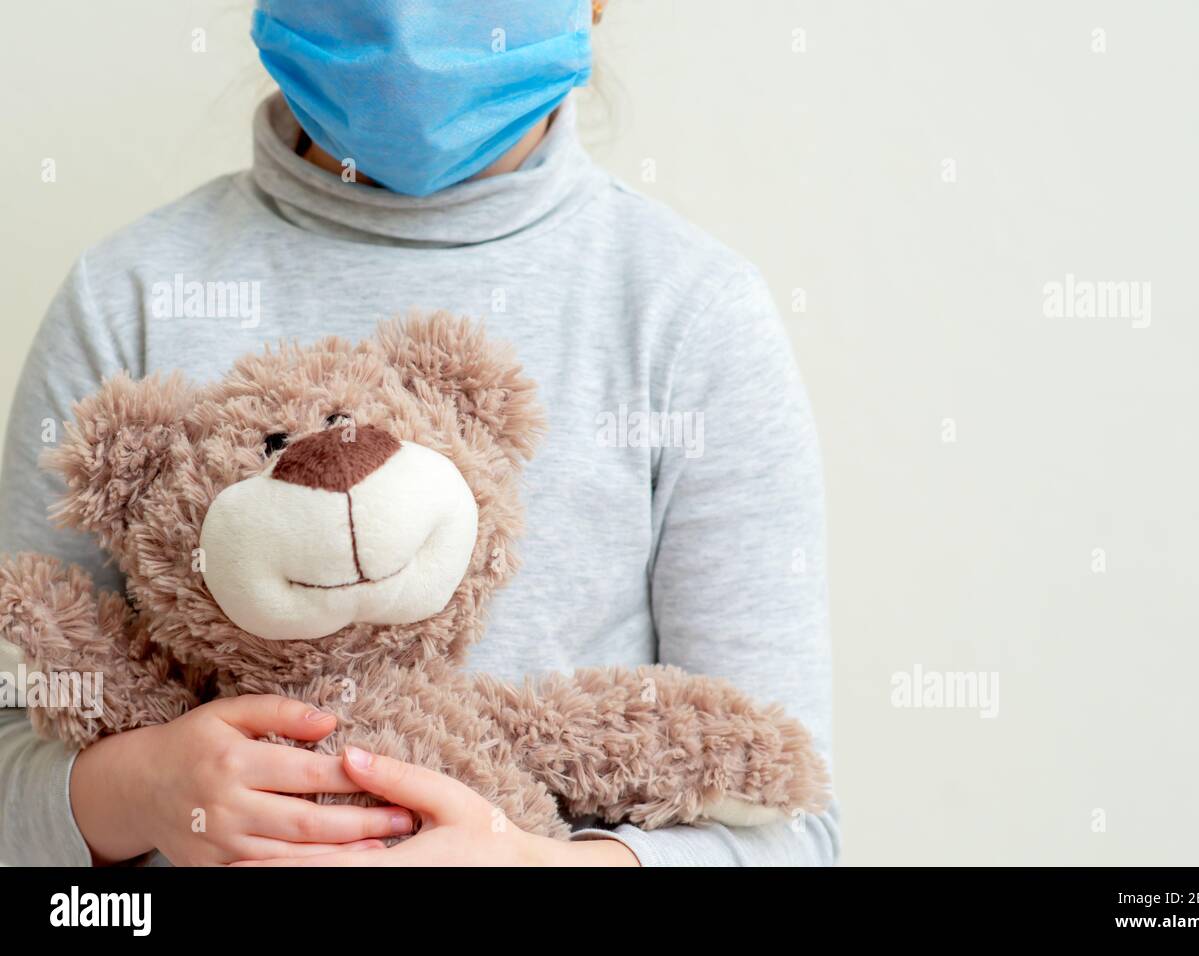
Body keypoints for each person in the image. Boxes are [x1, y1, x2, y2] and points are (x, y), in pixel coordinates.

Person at [0, 0, 838, 866]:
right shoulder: (127, 298)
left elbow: (792, 826)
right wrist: (136, 792)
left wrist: (537, 865)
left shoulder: (687, 312)